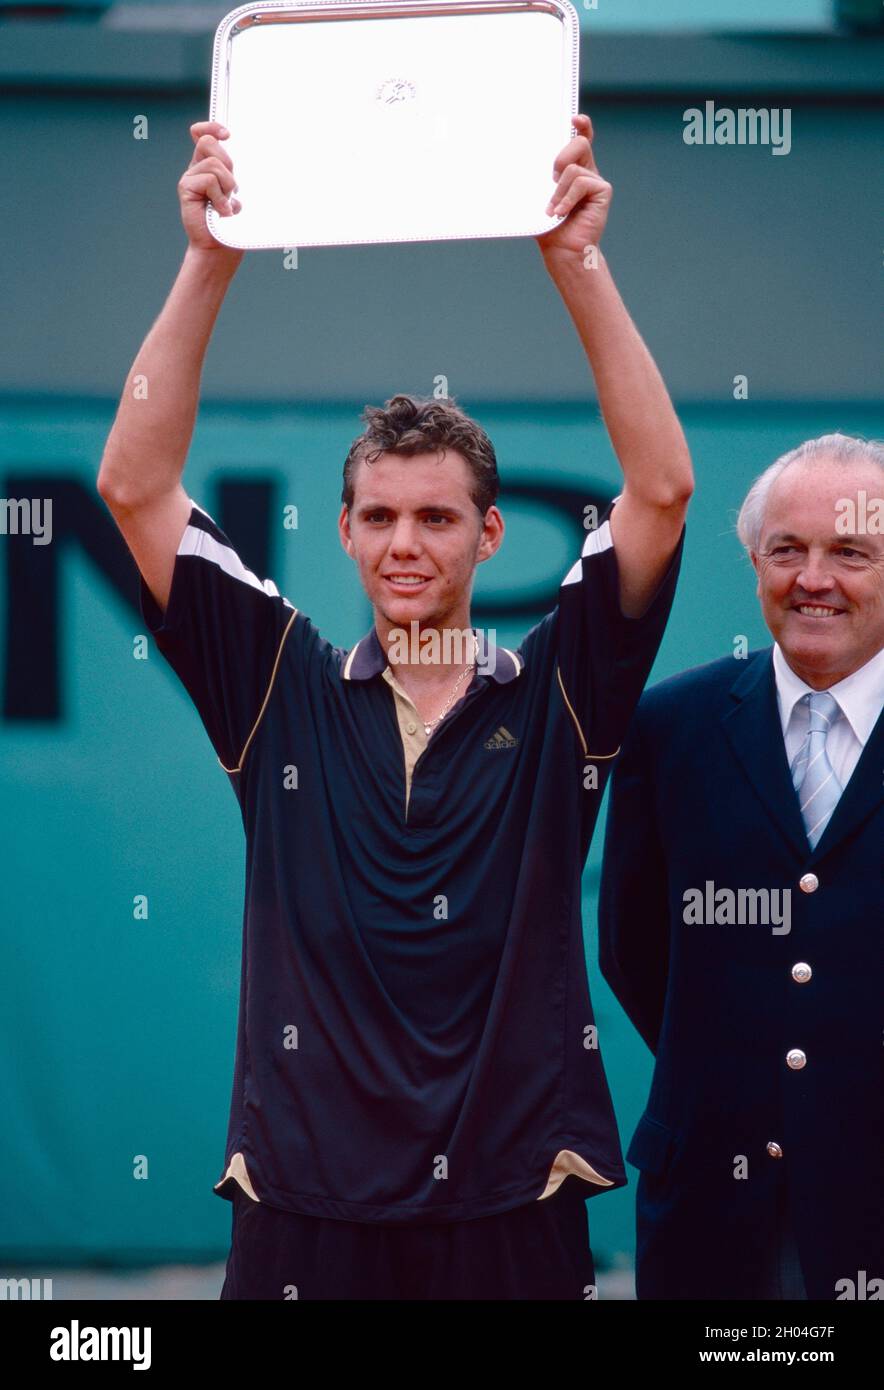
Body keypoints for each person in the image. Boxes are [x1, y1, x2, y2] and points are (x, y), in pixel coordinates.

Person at [97, 113, 693, 1300]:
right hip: (303, 1202)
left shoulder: (564, 682)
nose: (404, 542)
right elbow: (132, 483)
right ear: (342, 533)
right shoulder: (276, 678)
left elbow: (662, 487)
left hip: (513, 1196)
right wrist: (209, 258)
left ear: (489, 533)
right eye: (378, 517)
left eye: (434, 518)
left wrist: (576, 264)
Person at [599, 433, 884, 1301]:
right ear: (755, 562)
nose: (814, 578)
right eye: (787, 550)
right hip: (711, 1218)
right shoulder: (670, 725)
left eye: (851, 552)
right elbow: (633, 948)